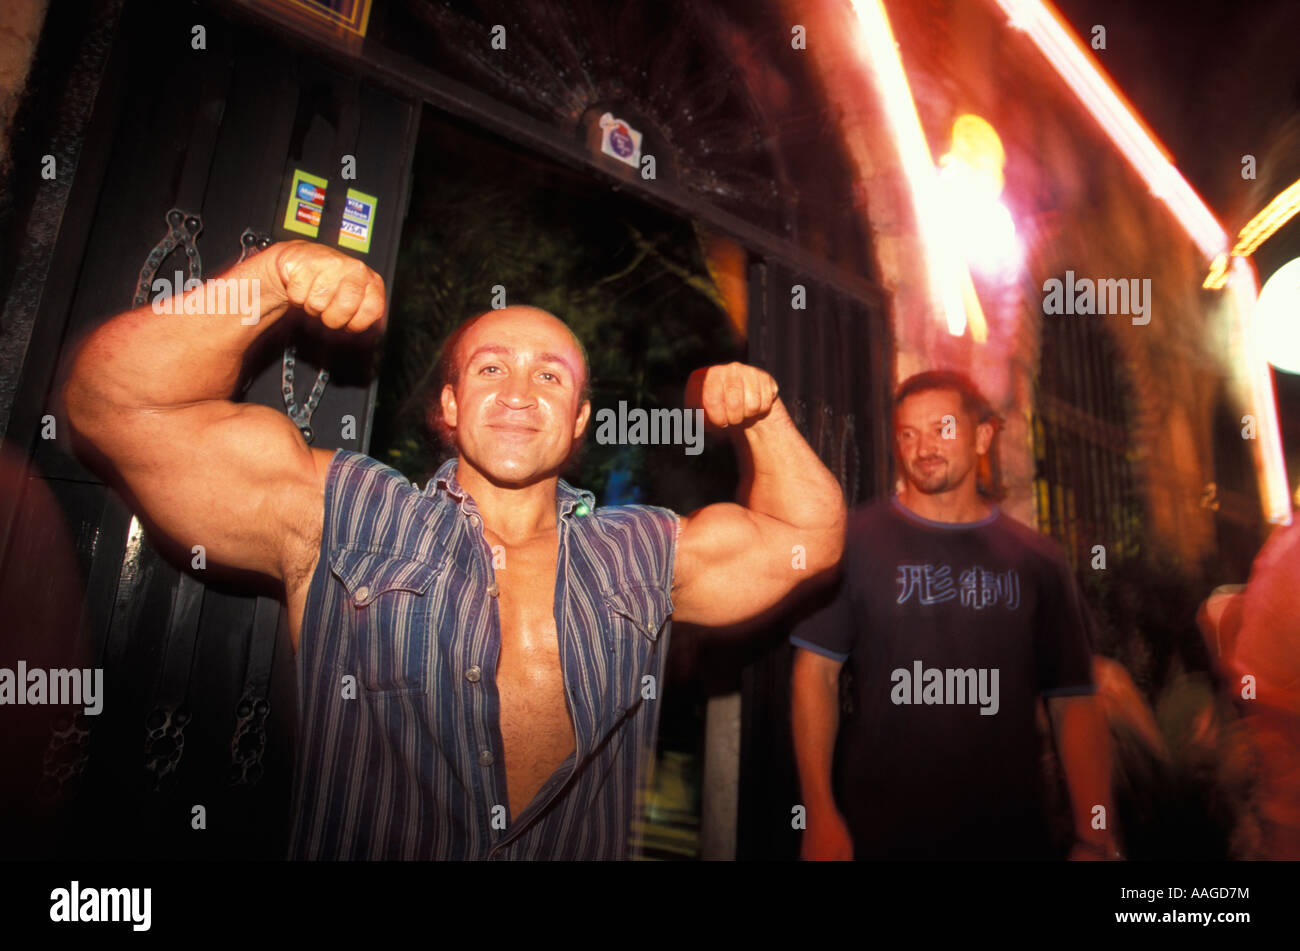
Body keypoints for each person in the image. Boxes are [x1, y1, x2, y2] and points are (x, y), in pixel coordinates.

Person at [61, 240, 845, 859]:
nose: (517, 391)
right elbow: (114, 403)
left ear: (577, 424)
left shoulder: (639, 552)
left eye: (551, 376)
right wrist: (271, 276)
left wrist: (759, 417)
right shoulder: (344, 511)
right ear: (450, 402)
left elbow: (808, 538)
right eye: (491, 367)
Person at [790, 370, 1117, 860]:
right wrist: (818, 814)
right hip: (880, 837)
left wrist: (1095, 835)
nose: (923, 447)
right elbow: (815, 676)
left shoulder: (1039, 560)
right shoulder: (855, 541)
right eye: (908, 433)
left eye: (942, 428)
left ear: (982, 435)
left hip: (1013, 837)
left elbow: (1074, 702)